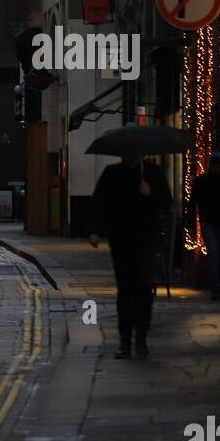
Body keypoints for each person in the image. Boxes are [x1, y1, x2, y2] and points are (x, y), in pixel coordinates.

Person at [88, 153, 172, 360]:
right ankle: (125, 341)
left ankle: (141, 336)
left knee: (144, 288)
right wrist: (94, 230)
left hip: (146, 239)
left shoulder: (152, 173)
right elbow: (100, 202)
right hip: (121, 240)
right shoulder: (112, 173)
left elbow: (166, 203)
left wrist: (149, 193)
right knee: (124, 290)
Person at [189, 150, 220, 300]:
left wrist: (190, 222)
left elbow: (192, 203)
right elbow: (192, 203)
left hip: (209, 221)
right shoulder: (202, 181)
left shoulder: (201, 181)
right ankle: (216, 285)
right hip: (210, 221)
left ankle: (216, 285)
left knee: (215, 254)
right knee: (216, 253)